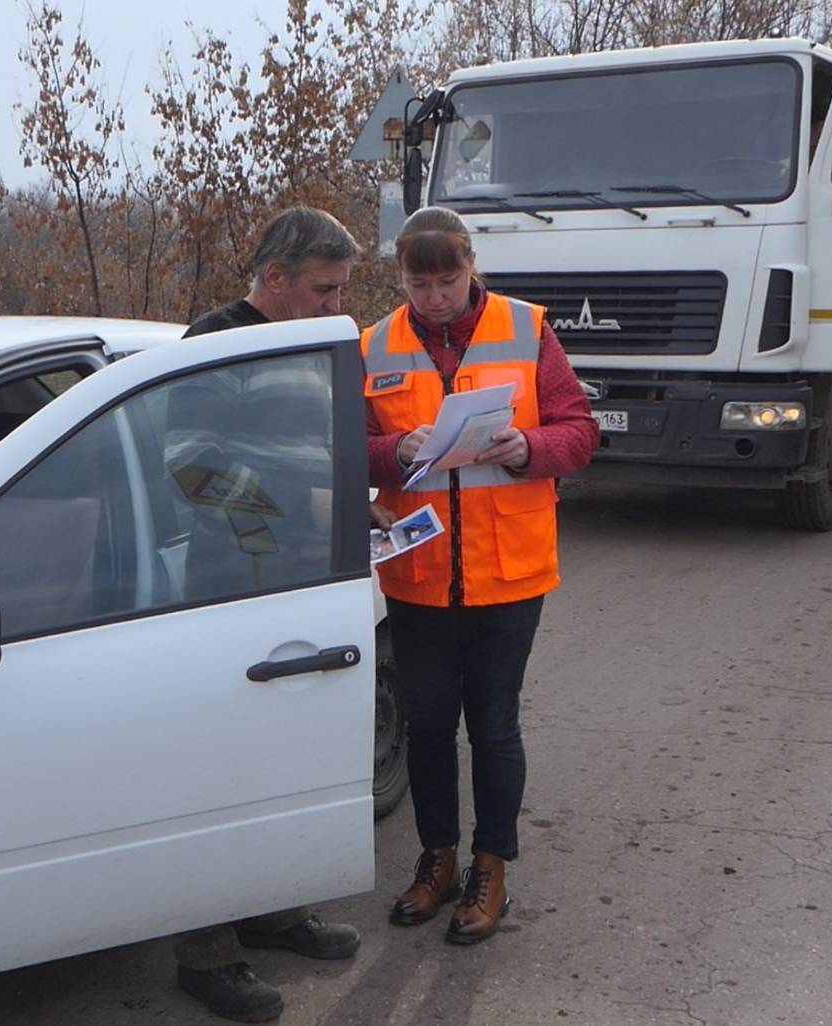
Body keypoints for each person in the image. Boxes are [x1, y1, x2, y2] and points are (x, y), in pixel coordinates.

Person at [365, 206, 598, 945]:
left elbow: (578, 430)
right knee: (428, 725)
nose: (433, 295)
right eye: (418, 281)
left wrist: (526, 448)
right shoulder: (373, 345)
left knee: (493, 727)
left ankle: (490, 867)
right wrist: (396, 451)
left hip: (508, 572)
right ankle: (436, 861)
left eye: (447, 278)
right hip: (418, 574)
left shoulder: (527, 329)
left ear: (472, 268)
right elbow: (348, 447)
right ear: (398, 276)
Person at [171, 206, 363, 1024]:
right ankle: (205, 951)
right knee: (217, 772)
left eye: (340, 292)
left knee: (288, 763)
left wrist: (357, 506)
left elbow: (318, 445)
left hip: (304, 582)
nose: (332, 305)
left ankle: (275, 909)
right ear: (273, 279)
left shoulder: (309, 340)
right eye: (321, 290)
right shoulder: (215, 341)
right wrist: (300, 507)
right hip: (227, 586)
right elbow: (186, 467)